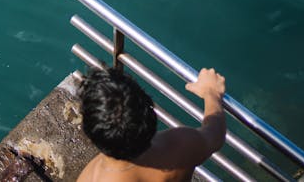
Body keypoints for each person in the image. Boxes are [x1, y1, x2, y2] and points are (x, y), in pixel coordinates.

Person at [76, 67, 227, 182]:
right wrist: (211, 93)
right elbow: (214, 134)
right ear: (149, 112)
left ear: (92, 133)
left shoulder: (88, 177)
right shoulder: (179, 147)